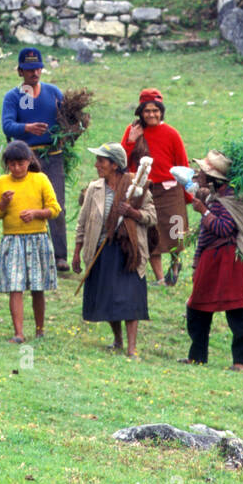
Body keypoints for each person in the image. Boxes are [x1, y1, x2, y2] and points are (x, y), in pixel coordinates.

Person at [72, 143, 156, 358]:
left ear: (115, 165)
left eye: (101, 161)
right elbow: (83, 221)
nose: (97, 165)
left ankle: (131, 347)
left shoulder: (137, 187)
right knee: (108, 297)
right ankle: (117, 340)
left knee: (130, 299)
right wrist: (76, 252)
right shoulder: (94, 189)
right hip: (102, 249)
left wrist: (133, 213)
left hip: (129, 251)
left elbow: (152, 217)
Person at [182, 150, 243, 371]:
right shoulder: (215, 197)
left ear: (213, 177)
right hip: (211, 260)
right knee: (197, 308)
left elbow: (225, 229)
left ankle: (242, 363)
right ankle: (197, 356)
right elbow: (205, 234)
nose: (199, 174)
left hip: (229, 260)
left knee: (236, 311)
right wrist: (196, 261)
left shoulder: (231, 199)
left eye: (203, 172)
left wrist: (204, 212)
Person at [0, 139, 60, 343]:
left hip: (38, 239)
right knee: (15, 286)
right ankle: (18, 333)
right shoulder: (1, 182)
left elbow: (55, 209)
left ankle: (40, 330)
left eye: (20, 164)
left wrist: (36, 213)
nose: (16, 168)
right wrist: (2, 204)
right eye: (12, 164)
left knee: (38, 287)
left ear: (29, 161)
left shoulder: (41, 179)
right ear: (7, 164)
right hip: (12, 240)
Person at [0, 47, 68, 271]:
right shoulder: (13, 97)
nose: (34, 73)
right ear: (20, 71)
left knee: (55, 203)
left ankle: (60, 256)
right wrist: (27, 127)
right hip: (26, 159)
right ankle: (32, 254)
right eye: (29, 70)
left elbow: (67, 119)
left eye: (37, 68)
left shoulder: (54, 93)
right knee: (27, 203)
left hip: (53, 155)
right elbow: (7, 125)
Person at [121, 88, 191, 288]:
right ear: (140, 112)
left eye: (155, 110)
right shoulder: (132, 131)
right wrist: (131, 141)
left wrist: (188, 194)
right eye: (147, 111)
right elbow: (122, 162)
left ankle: (175, 266)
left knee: (176, 231)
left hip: (170, 191)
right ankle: (160, 279)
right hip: (144, 191)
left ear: (161, 111)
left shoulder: (171, 133)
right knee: (152, 235)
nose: (152, 115)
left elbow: (182, 164)